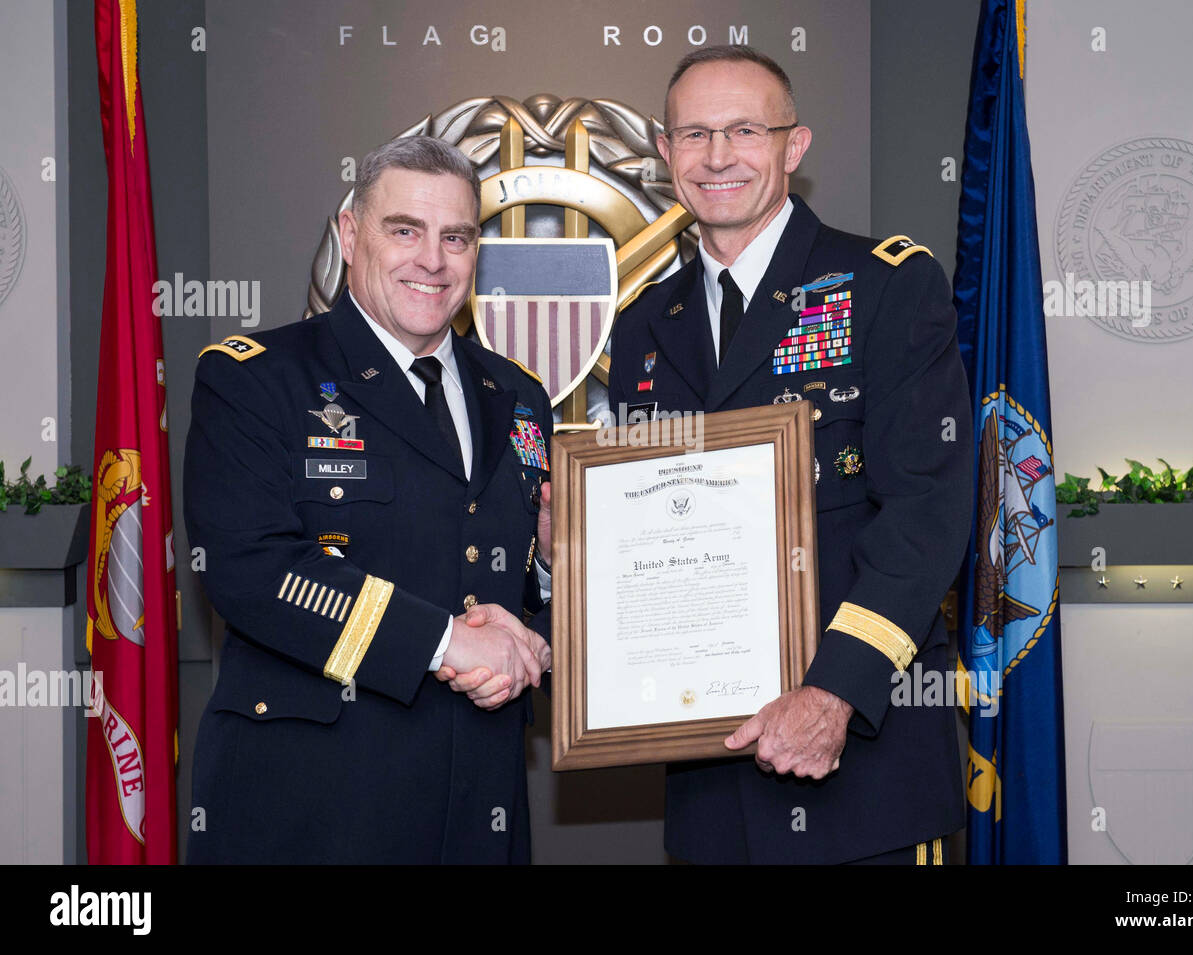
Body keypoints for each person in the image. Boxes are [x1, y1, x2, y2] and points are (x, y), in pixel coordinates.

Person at [607, 45, 975, 864]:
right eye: (694, 134)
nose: (718, 155)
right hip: (710, 773)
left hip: (858, 762)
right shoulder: (643, 323)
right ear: (666, 155)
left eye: (745, 129)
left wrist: (836, 689)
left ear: (793, 146)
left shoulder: (884, 283)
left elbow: (928, 510)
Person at [184, 135, 554, 864]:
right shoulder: (258, 379)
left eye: (456, 237)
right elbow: (252, 573)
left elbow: (506, 584)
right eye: (405, 230)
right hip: (316, 809)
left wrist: (546, 584)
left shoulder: (518, 396)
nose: (433, 260)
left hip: (478, 805)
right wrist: (446, 640)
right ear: (351, 235)